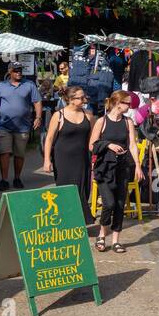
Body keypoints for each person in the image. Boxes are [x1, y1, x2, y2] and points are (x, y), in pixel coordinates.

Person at [88, 91, 144, 252]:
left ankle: (116, 240)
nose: (130, 106)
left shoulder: (128, 122)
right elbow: (92, 145)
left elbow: (132, 145)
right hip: (105, 167)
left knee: (119, 203)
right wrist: (108, 145)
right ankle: (101, 234)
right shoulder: (102, 121)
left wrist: (138, 165)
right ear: (118, 103)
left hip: (123, 166)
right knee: (109, 203)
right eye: (127, 103)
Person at [43, 86, 95, 222]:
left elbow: (93, 139)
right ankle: (65, 220)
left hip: (82, 158)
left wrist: (95, 157)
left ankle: (80, 220)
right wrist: (47, 160)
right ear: (71, 100)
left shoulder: (88, 115)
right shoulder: (58, 115)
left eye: (84, 97)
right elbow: (49, 139)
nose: (85, 99)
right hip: (63, 159)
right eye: (81, 98)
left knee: (82, 189)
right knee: (65, 190)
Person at [0, 62, 42, 191]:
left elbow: (37, 101)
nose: (19, 72)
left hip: (22, 126)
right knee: (4, 152)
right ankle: (4, 180)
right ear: (9, 72)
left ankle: (17, 178)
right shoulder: (1, 86)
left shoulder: (29, 85)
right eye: (15, 70)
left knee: (19, 154)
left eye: (20, 70)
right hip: (4, 125)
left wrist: (38, 117)